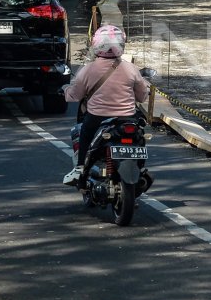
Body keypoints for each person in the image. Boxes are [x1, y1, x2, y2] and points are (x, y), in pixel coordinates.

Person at [62, 25, 150, 185]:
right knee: (140, 136)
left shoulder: (88, 69)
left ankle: (80, 167)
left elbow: (74, 96)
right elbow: (142, 96)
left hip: (97, 118)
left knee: (84, 134)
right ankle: (140, 167)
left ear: (96, 44)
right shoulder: (131, 69)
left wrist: (65, 89)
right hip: (127, 118)